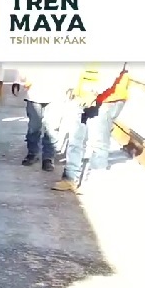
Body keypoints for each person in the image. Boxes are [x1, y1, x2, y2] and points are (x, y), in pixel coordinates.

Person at [54, 63, 130, 192]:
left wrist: (94, 93)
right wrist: (72, 87)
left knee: (98, 143)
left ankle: (95, 182)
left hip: (107, 99)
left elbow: (111, 69)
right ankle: (70, 178)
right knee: (75, 138)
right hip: (83, 98)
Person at [15, 65, 70, 171]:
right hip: (34, 94)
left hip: (57, 95)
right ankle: (32, 153)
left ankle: (48, 157)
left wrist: (71, 86)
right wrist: (17, 81)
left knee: (52, 128)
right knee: (34, 127)